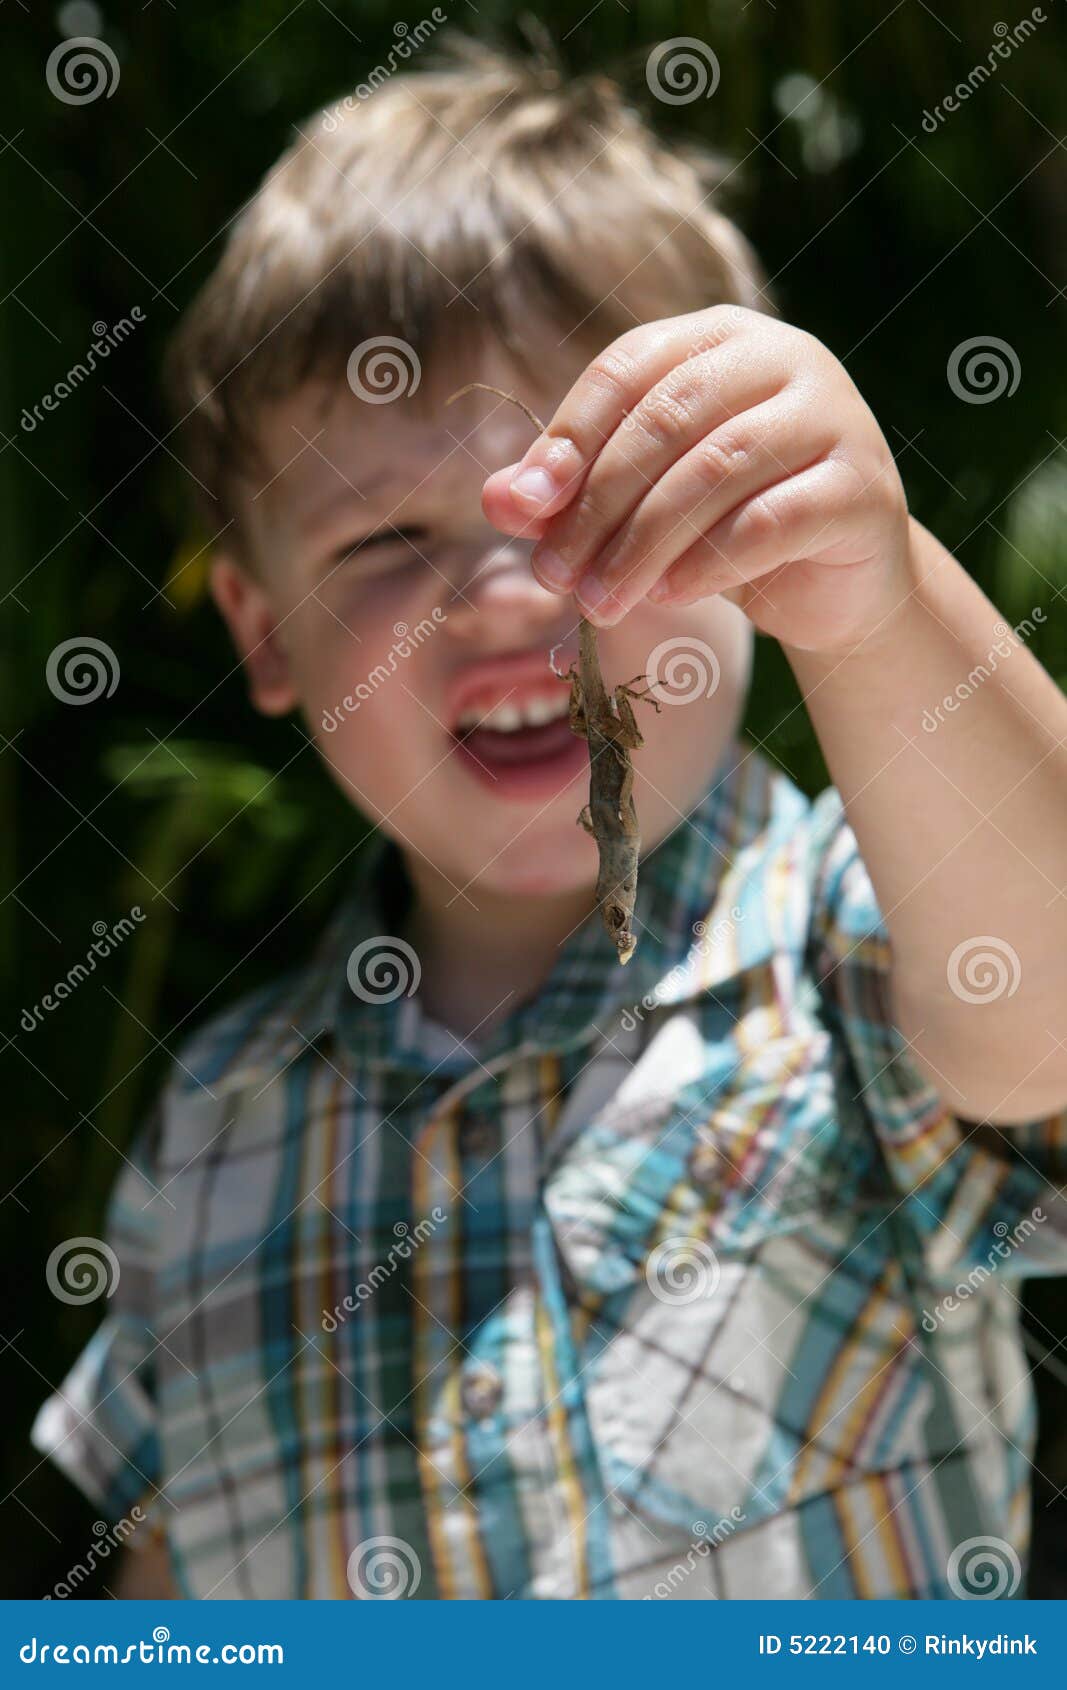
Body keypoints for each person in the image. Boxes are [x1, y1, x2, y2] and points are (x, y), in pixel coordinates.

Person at [33, 37, 1067, 1600]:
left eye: (604, 506)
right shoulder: (220, 1120)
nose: (511, 594)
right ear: (258, 629)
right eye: (385, 537)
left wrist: (878, 603)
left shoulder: (860, 946)